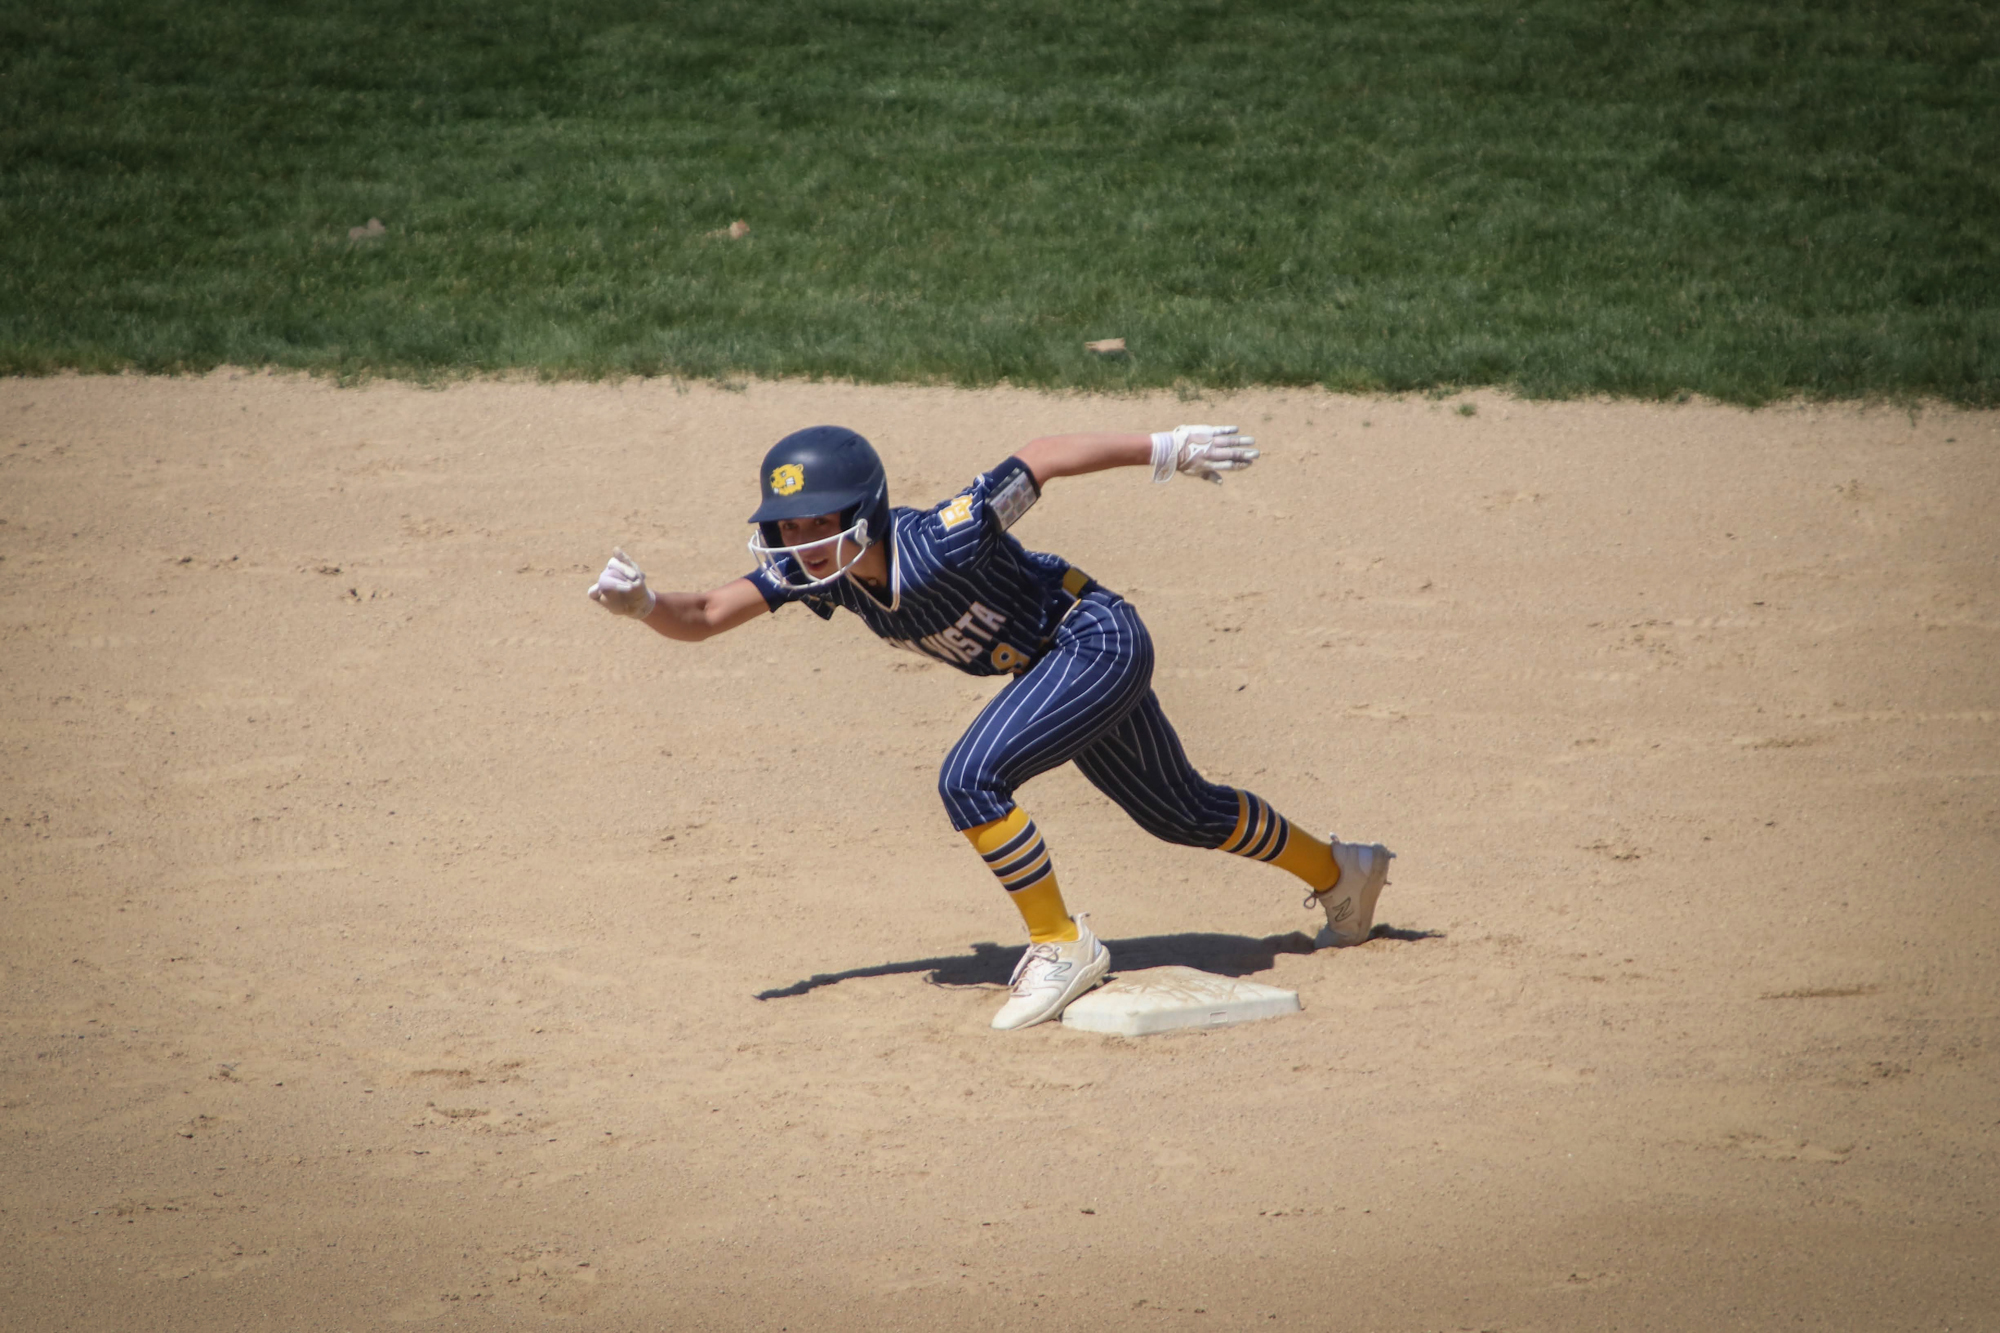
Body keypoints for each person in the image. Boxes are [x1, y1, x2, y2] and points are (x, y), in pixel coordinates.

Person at [588, 424, 1393, 1030]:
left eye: (815, 521)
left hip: (1093, 638)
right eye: (788, 527)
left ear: (863, 514)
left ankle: (1062, 942)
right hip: (1054, 665)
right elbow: (705, 613)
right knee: (1183, 811)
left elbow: (1040, 458)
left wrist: (1165, 447)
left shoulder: (942, 539)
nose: (800, 541)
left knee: (969, 778)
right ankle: (1342, 872)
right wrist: (644, 605)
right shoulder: (820, 575)